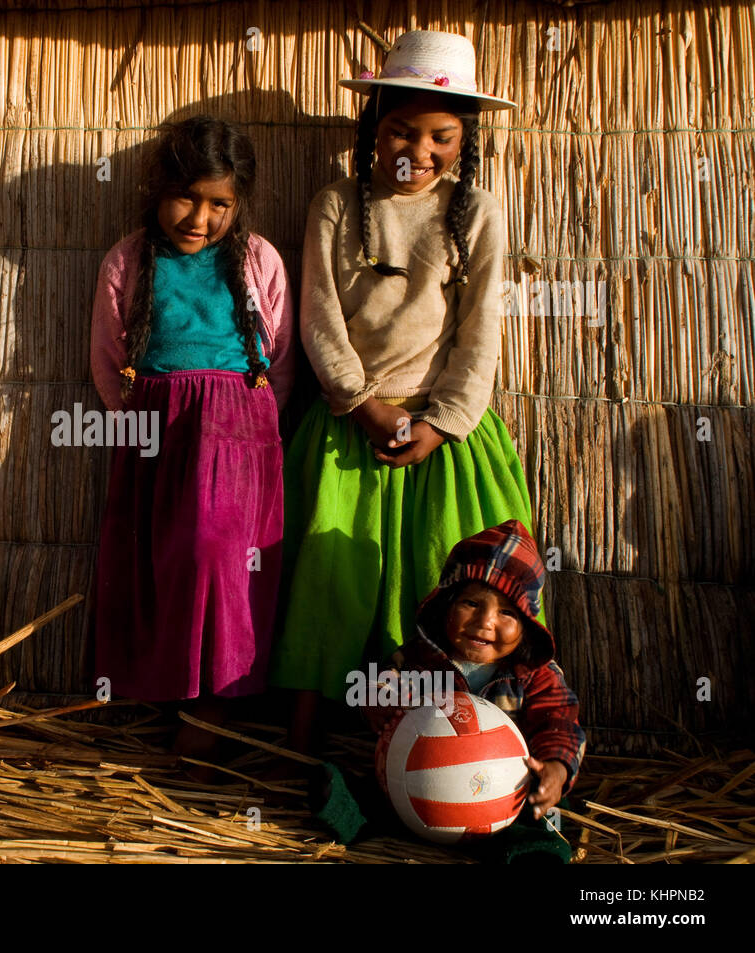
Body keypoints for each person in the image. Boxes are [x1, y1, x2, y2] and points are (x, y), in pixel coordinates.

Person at [272, 31, 539, 752]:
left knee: (446, 581)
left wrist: (442, 419)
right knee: (331, 576)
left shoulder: (477, 213)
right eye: (399, 129)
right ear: (373, 125)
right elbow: (319, 315)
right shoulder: (336, 205)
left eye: (440, 137)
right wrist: (362, 403)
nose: (417, 150)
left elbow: (480, 331)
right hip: (348, 426)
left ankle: (460, 749)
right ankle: (300, 744)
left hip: (445, 436)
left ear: (465, 140)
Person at [90, 116, 293, 759]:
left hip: (238, 437)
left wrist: (254, 429)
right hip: (157, 437)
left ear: (240, 204)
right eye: (186, 196)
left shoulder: (258, 259)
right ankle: (171, 701)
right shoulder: (129, 259)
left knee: (219, 558)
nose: (199, 217)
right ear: (157, 189)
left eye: (219, 203)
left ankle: (209, 716)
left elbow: (280, 356)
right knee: (162, 566)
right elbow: (107, 356)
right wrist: (140, 421)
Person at [365, 519, 585, 862]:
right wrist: (380, 699)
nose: (485, 622)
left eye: (507, 612)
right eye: (471, 604)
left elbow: (559, 723)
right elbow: (382, 679)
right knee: (364, 795)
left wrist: (555, 769)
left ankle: (531, 854)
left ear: (526, 626)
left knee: (544, 823)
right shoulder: (422, 658)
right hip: (420, 792)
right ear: (447, 605)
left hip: (504, 799)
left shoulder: (536, 677)